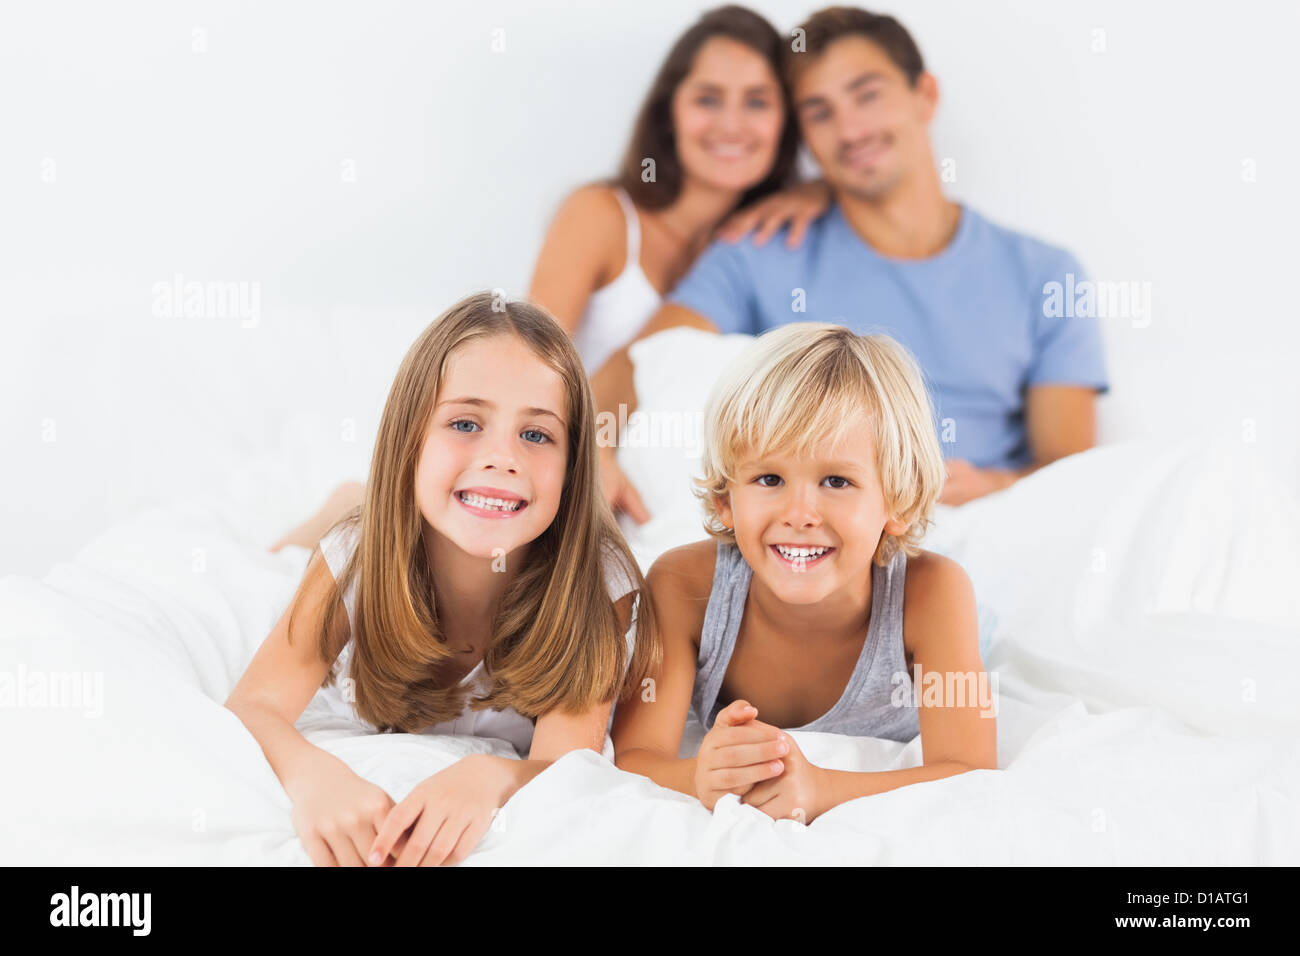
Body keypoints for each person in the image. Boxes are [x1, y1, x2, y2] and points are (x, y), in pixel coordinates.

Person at [270, 4, 829, 553]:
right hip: (555, 441)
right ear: (670, 112)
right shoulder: (604, 215)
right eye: (708, 98)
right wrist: (593, 452)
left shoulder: (760, 243)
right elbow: (527, 360)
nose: (731, 123)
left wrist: (820, 190)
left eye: (757, 102)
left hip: (656, 463)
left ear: (785, 124)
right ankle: (353, 506)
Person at [593, 5, 1110, 522]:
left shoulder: (1046, 274)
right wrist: (594, 452)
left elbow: (1075, 471)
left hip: (986, 532)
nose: (850, 130)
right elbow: (637, 364)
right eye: (819, 112)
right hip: (821, 545)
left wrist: (994, 485)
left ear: (924, 96)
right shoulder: (758, 253)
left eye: (868, 95)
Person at [226, 292, 659, 866]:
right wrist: (312, 775)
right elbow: (253, 706)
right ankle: (341, 502)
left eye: (536, 435)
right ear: (409, 437)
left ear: (573, 465)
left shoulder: (601, 587)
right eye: (465, 422)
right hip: (374, 528)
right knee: (348, 521)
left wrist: (491, 777)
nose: (502, 457)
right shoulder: (351, 558)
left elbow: (564, 766)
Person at [610, 323, 996, 822]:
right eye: (768, 478)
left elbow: (969, 768)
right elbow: (638, 757)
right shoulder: (684, 586)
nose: (799, 513)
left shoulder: (933, 594)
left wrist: (821, 788)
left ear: (897, 501)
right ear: (726, 500)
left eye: (836, 480)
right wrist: (697, 777)